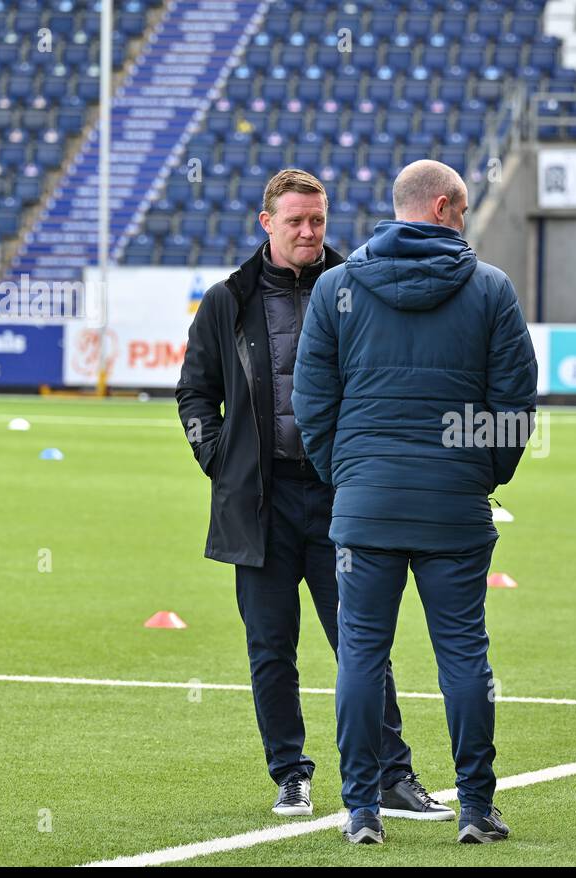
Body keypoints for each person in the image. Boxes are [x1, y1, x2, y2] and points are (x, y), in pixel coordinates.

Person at [175, 168, 450, 822]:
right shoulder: (227, 301)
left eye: (317, 221)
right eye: (295, 220)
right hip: (260, 505)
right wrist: (220, 459)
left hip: (340, 501)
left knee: (362, 644)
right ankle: (290, 775)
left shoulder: (359, 288)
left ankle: (392, 776)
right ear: (266, 222)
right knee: (271, 649)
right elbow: (194, 394)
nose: (307, 231)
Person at [293, 159, 538, 845]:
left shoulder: (338, 288)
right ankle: (476, 807)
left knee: (362, 656)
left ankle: (362, 811)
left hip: (365, 504)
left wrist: (347, 472)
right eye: (462, 210)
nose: (464, 221)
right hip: (453, 507)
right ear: (443, 207)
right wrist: (482, 473)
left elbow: (312, 403)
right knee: (464, 657)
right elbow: (515, 404)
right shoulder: (489, 289)